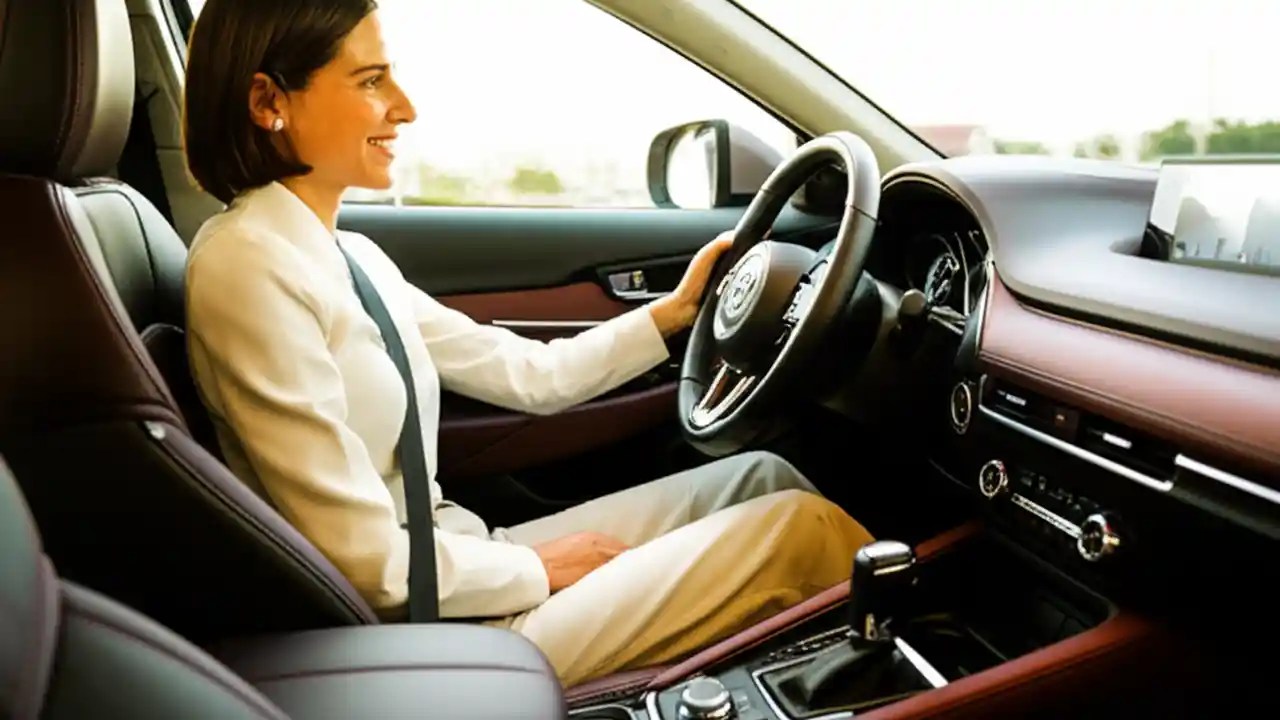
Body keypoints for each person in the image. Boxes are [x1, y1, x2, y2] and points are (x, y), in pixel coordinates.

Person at [181, 0, 874, 687]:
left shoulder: (348, 255)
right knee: (801, 532)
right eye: (370, 82)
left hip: (457, 562)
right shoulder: (247, 266)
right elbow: (359, 560)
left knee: (759, 480)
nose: (405, 107)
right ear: (269, 101)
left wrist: (673, 315)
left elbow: (528, 373)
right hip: (423, 632)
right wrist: (540, 571)